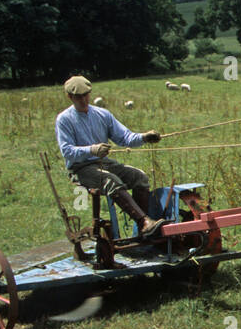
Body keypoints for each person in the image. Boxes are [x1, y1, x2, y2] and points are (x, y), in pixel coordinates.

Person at [55, 75, 165, 238]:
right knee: (111, 181)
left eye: (86, 95)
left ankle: (144, 231)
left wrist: (144, 137)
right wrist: (92, 150)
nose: (84, 100)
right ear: (70, 97)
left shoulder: (102, 114)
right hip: (81, 168)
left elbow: (125, 137)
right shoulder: (64, 120)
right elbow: (67, 151)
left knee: (139, 176)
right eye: (78, 97)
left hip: (104, 163)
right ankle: (144, 222)